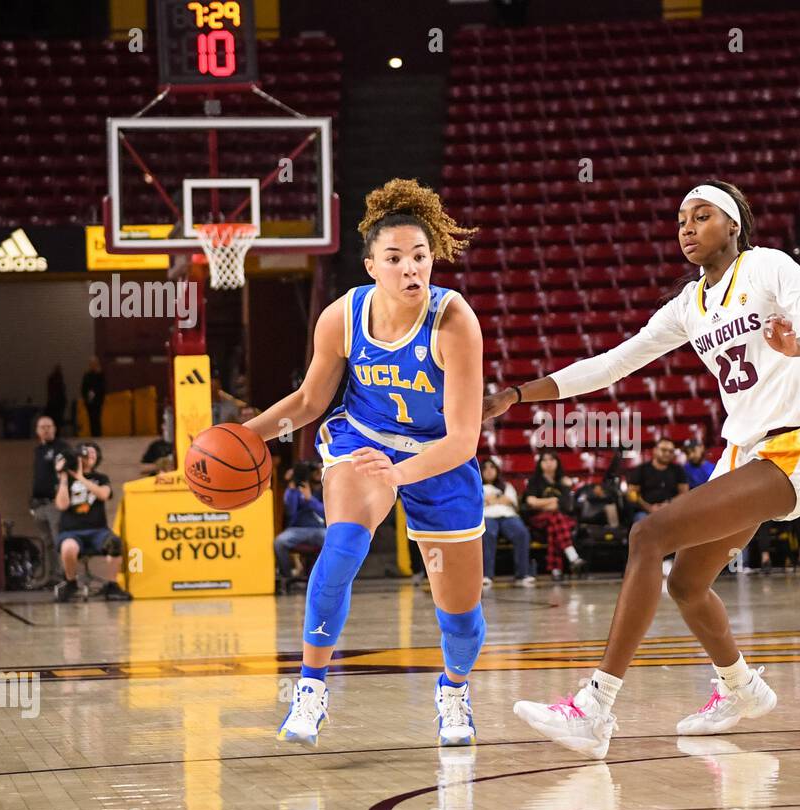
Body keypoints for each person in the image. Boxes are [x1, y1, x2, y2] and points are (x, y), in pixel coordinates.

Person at [484, 180, 800, 758]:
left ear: (733, 225)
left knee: (647, 533)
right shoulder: (690, 304)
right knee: (686, 584)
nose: (686, 227)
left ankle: (595, 706)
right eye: (681, 219)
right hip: (742, 453)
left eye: (701, 216)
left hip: (794, 448)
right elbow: (614, 364)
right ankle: (741, 688)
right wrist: (517, 394)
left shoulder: (768, 268)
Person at [240, 178, 488, 748]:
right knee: (343, 544)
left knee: (462, 615)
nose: (410, 270)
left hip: (437, 458)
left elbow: (463, 440)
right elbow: (307, 402)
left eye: (420, 257)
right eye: (395, 259)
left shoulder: (455, 322)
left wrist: (400, 474)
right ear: (372, 265)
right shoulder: (343, 316)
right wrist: (244, 436)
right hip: (364, 440)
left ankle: (453, 689)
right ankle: (310, 688)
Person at [53, 442, 132, 602]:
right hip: (72, 531)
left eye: (93, 455)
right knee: (68, 548)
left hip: (97, 530)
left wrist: (81, 478)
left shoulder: (101, 478)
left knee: (115, 543)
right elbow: (62, 505)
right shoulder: (66, 480)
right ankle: (71, 582)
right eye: (86, 454)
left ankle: (112, 585)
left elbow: (104, 494)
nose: (90, 457)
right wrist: (63, 477)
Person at [521, 450, 586, 579]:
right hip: (538, 519)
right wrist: (552, 500)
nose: (548, 463)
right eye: (545, 460)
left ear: (557, 462)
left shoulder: (563, 482)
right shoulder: (535, 481)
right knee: (555, 518)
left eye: (551, 460)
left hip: (560, 519)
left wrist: (542, 503)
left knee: (554, 523)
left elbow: (566, 505)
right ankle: (572, 556)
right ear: (540, 463)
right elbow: (530, 502)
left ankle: (556, 570)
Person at [28, 413, 70, 587]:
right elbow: (38, 477)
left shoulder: (62, 448)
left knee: (58, 539)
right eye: (42, 427)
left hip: (54, 503)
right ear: (37, 431)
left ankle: (66, 576)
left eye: (49, 426)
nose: (46, 430)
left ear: (54, 428)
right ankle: (52, 575)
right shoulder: (38, 450)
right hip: (39, 504)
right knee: (47, 543)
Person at [480, 458, 535, 587]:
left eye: (492, 467)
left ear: (497, 470)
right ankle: (486, 575)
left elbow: (512, 503)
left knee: (522, 533)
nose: (489, 471)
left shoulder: (507, 486)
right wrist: (499, 499)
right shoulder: (477, 486)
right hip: (487, 516)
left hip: (508, 516)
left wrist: (490, 500)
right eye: (485, 468)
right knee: (487, 534)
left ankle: (523, 573)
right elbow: (476, 504)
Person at [275, 461, 328, 584]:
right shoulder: (296, 489)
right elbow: (290, 511)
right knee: (279, 542)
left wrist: (310, 499)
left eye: (319, 472)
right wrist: (292, 489)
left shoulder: (325, 488)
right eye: (314, 472)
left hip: (318, 529)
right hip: (297, 529)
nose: (316, 474)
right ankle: (287, 576)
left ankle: (324, 577)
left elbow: (325, 512)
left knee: (334, 540)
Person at [626, 436, 689, 522]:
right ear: (655, 450)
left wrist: (669, 504)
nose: (667, 453)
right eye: (663, 450)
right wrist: (649, 508)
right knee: (641, 520)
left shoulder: (678, 470)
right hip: (645, 511)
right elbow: (632, 493)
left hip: (672, 509)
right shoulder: (642, 469)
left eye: (670, 451)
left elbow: (684, 493)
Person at [80, 356, 105, 437]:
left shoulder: (100, 375)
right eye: (91, 364)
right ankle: (93, 434)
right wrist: (86, 397)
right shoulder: (87, 375)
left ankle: (98, 434)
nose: (93, 365)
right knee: (91, 419)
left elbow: (103, 388)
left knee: (97, 418)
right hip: (89, 401)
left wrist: (97, 394)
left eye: (94, 364)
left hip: (98, 401)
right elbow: (83, 388)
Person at [45, 363, 66, 430]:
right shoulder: (54, 379)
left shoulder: (60, 378)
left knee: (57, 421)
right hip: (55, 403)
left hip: (58, 403)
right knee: (56, 420)